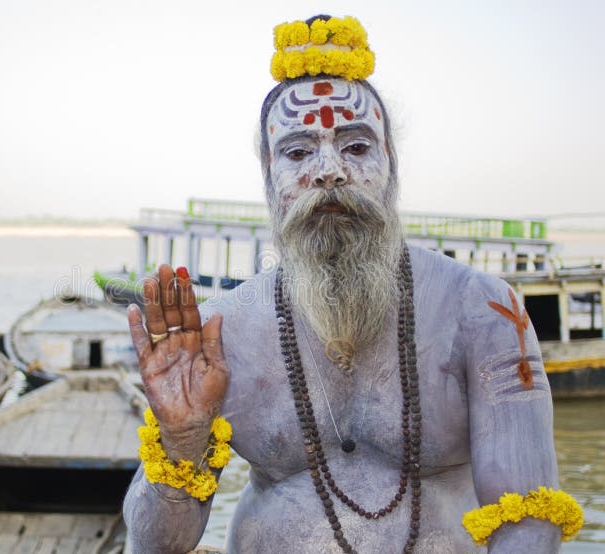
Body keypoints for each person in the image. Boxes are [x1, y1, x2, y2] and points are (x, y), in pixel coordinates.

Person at [123, 15, 582, 553]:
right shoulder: (224, 332)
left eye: (357, 147)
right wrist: (182, 438)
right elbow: (153, 545)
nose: (330, 171)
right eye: (297, 152)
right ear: (268, 176)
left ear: (392, 164)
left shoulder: (482, 312)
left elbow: (530, 520)